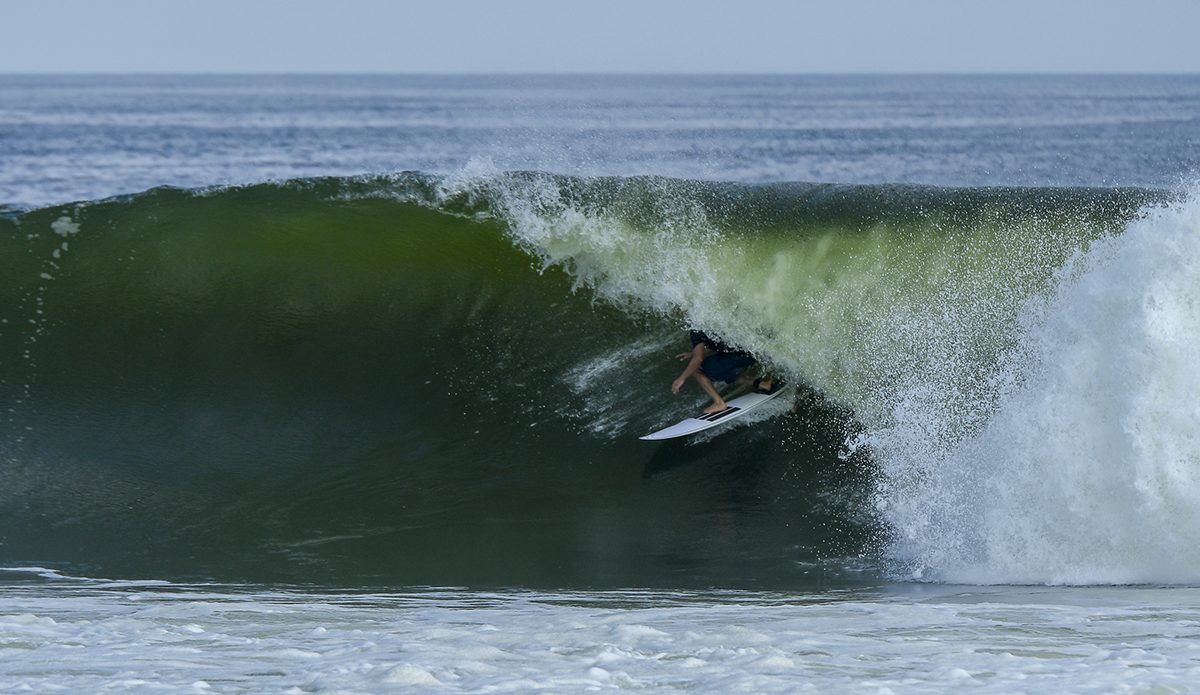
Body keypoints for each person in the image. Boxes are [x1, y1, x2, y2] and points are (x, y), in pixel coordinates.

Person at [671, 330, 781, 413]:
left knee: (697, 369)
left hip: (738, 356)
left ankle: (719, 403)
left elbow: (698, 358)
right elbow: (717, 344)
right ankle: (763, 384)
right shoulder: (712, 316)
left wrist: (682, 378)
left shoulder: (695, 329)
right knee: (724, 369)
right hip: (751, 352)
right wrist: (693, 352)